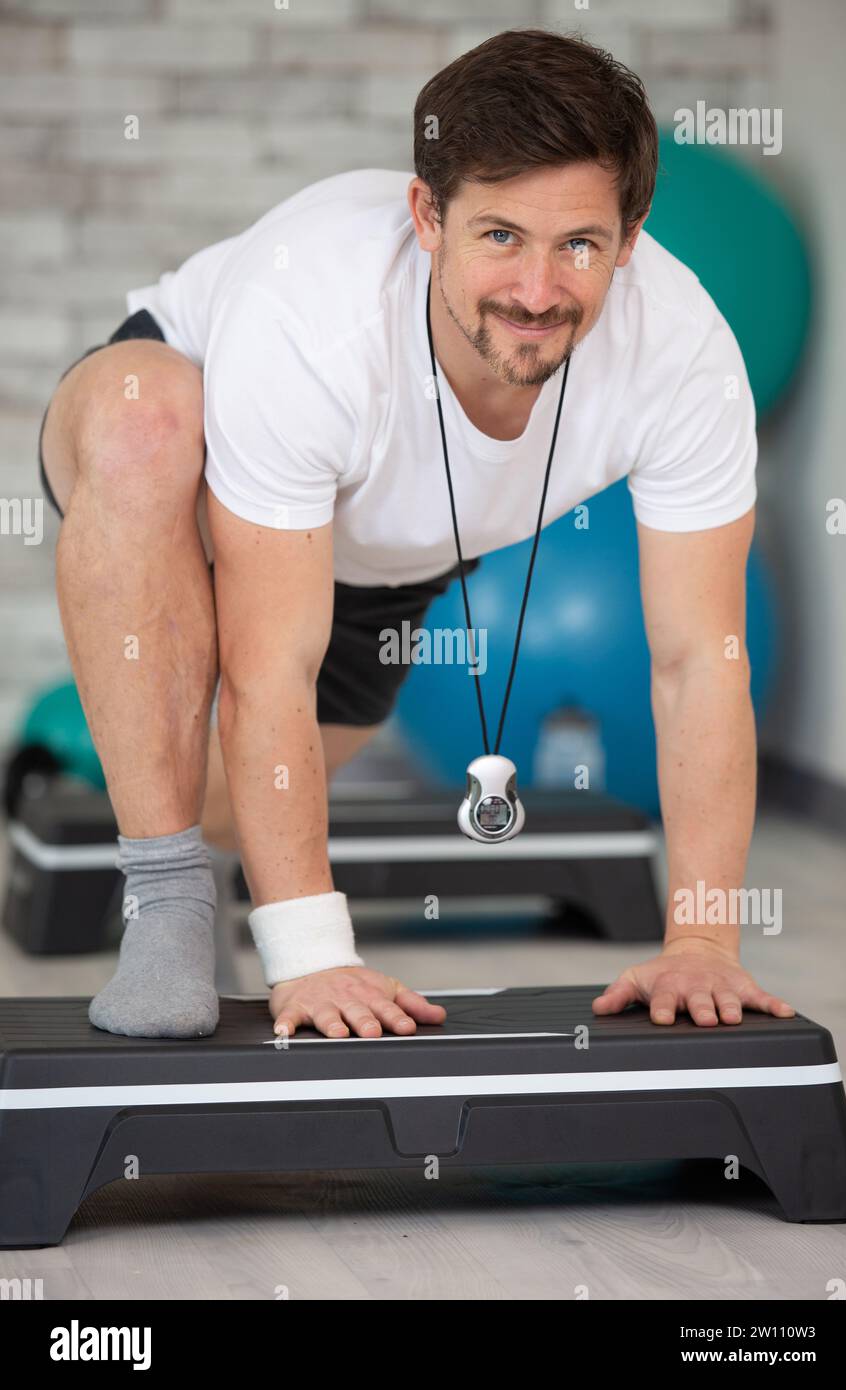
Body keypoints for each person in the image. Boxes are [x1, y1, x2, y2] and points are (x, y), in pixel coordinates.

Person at [37, 28, 795, 1040]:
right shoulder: (316, 314)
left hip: (383, 559)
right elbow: (268, 669)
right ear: (426, 215)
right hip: (188, 432)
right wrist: (309, 956)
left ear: (631, 228)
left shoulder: (683, 353)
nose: (535, 292)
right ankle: (167, 908)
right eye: (498, 237)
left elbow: (700, 657)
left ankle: (201, 869)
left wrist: (702, 939)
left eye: (578, 243)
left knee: (225, 809)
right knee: (143, 425)